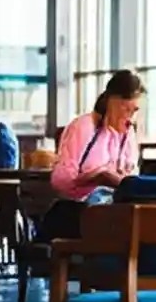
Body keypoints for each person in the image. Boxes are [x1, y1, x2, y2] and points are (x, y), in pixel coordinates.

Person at [50, 70, 143, 204]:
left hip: (117, 206)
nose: (131, 118)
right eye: (126, 109)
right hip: (80, 207)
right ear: (111, 102)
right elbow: (60, 181)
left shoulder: (128, 133)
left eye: (134, 111)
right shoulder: (83, 126)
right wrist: (95, 177)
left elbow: (132, 176)